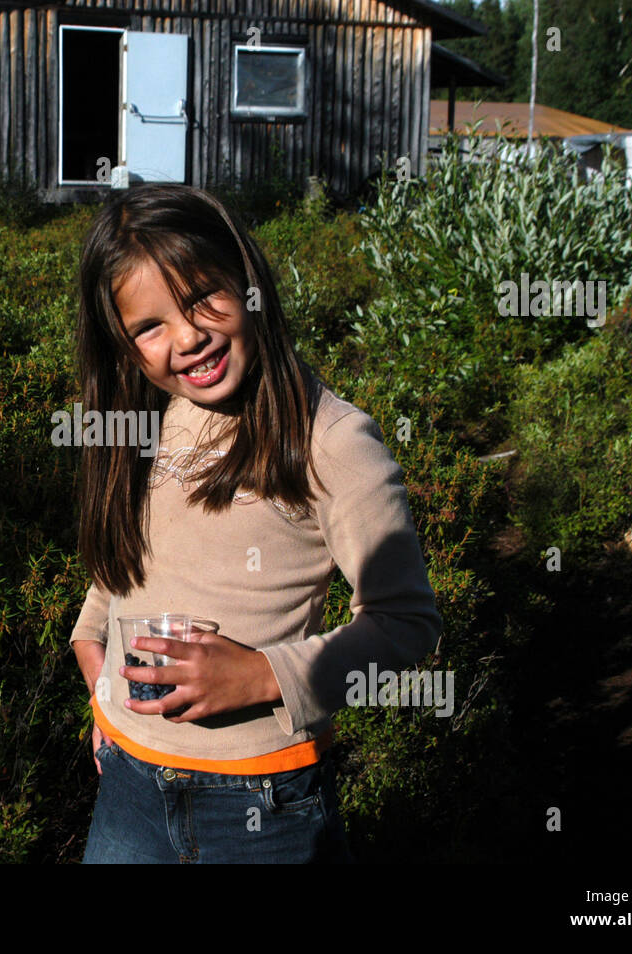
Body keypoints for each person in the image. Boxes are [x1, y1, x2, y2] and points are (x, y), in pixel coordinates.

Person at [69, 184, 442, 863]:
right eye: (149, 326)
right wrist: (93, 649)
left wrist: (264, 676)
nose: (187, 337)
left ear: (249, 282)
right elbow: (131, 565)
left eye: (202, 296)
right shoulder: (151, 420)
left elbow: (406, 624)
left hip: (261, 804)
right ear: (125, 349)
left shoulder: (333, 440)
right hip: (128, 786)